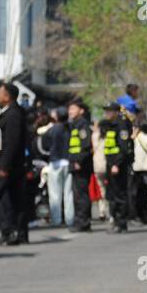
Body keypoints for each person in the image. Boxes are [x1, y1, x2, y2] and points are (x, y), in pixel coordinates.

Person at [0, 82, 30, 245]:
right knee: (15, 199)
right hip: (5, 163)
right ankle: (19, 234)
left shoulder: (13, 115)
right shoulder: (6, 114)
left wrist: (4, 166)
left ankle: (8, 230)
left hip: (8, 166)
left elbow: (12, 143)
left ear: (7, 97)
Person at [98, 101, 133, 232]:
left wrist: (117, 164)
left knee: (120, 194)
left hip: (118, 165)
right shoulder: (111, 125)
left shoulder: (121, 124)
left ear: (116, 112)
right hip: (110, 164)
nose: (106, 113)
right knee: (112, 194)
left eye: (109, 111)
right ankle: (116, 221)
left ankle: (122, 223)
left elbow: (123, 148)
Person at [65, 99, 94, 232]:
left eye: (73, 109)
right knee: (77, 194)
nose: (70, 111)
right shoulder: (75, 125)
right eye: (69, 109)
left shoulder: (83, 125)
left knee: (81, 195)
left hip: (81, 166)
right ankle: (80, 221)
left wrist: (78, 162)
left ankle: (83, 222)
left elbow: (86, 147)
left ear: (81, 111)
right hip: (74, 164)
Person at [42, 107, 73, 227]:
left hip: (55, 162)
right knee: (68, 193)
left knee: (55, 193)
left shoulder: (52, 129)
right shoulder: (71, 128)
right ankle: (70, 219)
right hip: (68, 161)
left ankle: (57, 219)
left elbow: (44, 144)